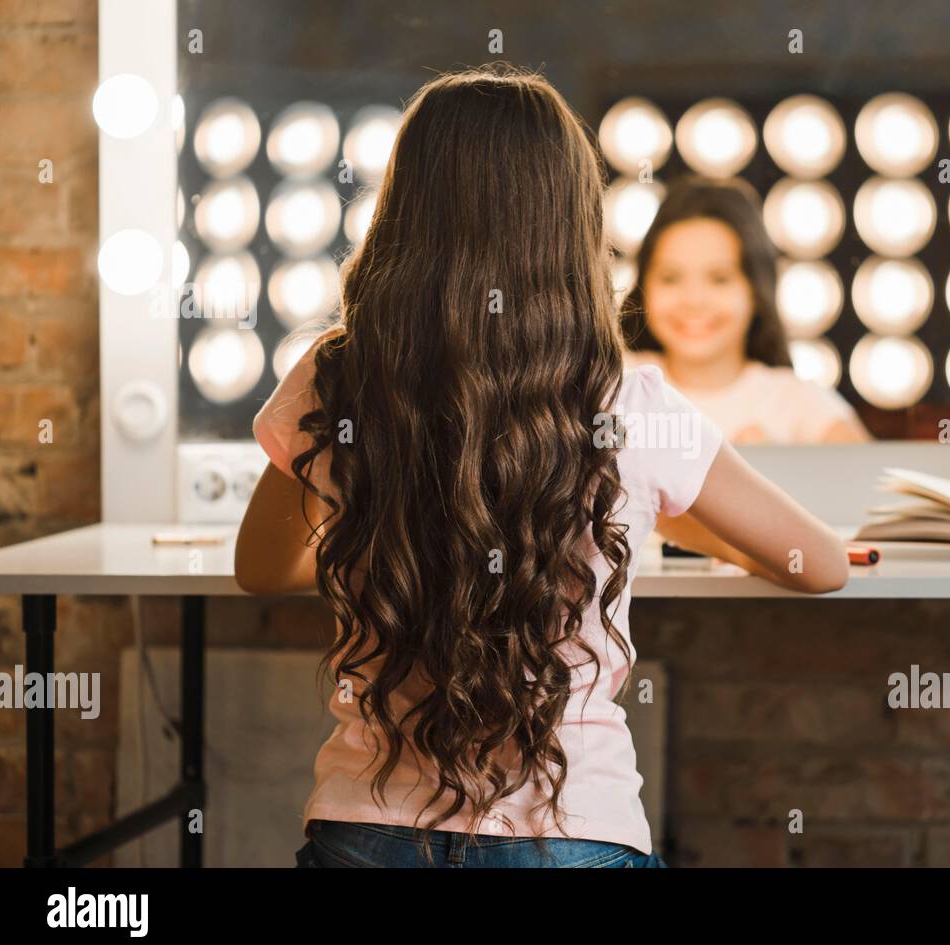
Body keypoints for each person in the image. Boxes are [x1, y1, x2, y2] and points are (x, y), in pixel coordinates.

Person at [234, 65, 849, 869]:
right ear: (570, 225)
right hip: (575, 835)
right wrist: (672, 513)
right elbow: (822, 563)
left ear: (403, 212)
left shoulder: (336, 375)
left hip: (368, 829)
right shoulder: (627, 398)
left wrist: (386, 512)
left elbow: (259, 568)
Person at [621, 176, 870, 444]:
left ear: (755, 290)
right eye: (670, 278)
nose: (693, 300)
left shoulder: (799, 404)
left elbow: (871, 480)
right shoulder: (613, 384)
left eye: (720, 279)